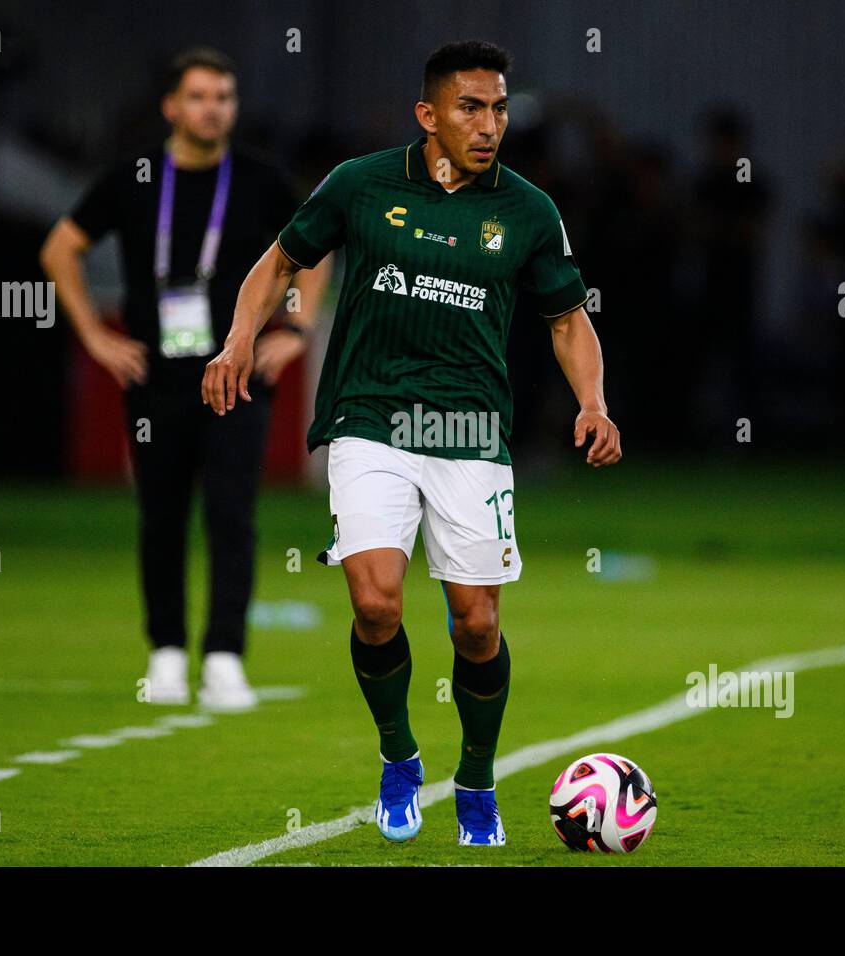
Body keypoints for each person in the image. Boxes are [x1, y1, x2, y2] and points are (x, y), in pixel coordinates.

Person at [202, 40, 620, 846]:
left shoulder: (528, 211)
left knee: (476, 625)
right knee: (375, 600)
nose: (489, 124)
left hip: (469, 432)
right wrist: (236, 340)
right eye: (470, 108)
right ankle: (399, 757)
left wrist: (594, 402)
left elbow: (568, 319)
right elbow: (279, 261)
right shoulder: (360, 184)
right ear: (427, 116)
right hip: (370, 419)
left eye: (498, 108)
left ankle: (477, 779)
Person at [40, 48, 331, 710]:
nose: (214, 108)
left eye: (224, 96)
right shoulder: (136, 176)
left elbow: (318, 247)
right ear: (172, 106)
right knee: (161, 517)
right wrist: (94, 337)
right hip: (157, 378)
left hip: (237, 374)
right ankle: (166, 653)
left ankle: (225, 656)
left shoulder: (258, 177)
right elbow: (60, 247)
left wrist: (297, 332)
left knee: (233, 515)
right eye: (199, 96)